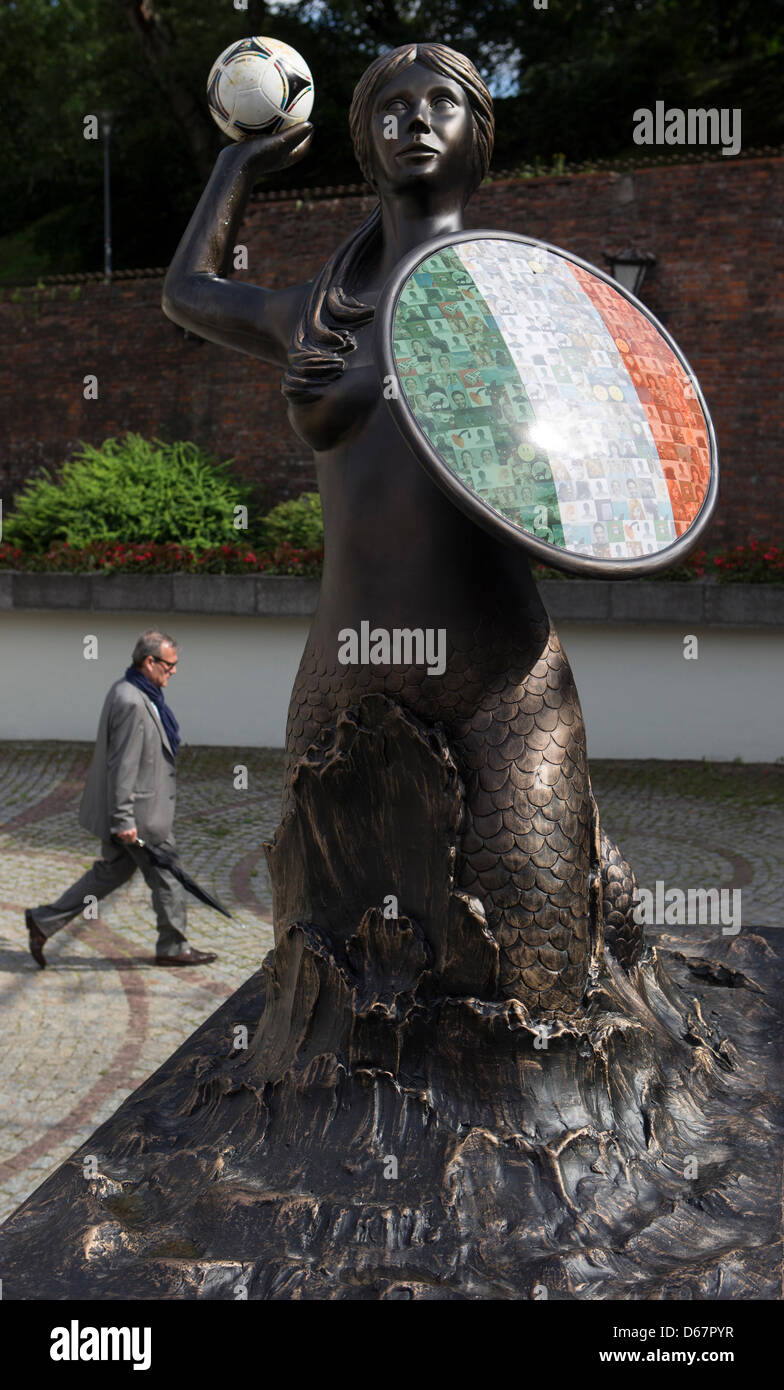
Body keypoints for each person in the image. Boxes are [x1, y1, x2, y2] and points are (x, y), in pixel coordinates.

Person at [161, 42, 634, 1019]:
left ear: (476, 143)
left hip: (500, 677)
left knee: (536, 981)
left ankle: (611, 908)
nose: (414, 118)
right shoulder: (316, 312)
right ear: (365, 148)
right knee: (317, 975)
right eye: (389, 108)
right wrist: (234, 167)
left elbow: (595, 468)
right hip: (346, 666)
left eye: (440, 104)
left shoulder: (521, 306)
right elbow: (187, 293)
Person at [24, 630, 217, 970]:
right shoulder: (131, 700)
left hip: (136, 811)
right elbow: (122, 765)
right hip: (139, 815)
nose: (175, 670)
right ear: (149, 662)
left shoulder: (137, 691)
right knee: (168, 877)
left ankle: (43, 922)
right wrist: (124, 820)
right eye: (170, 664)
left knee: (110, 873)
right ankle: (173, 947)